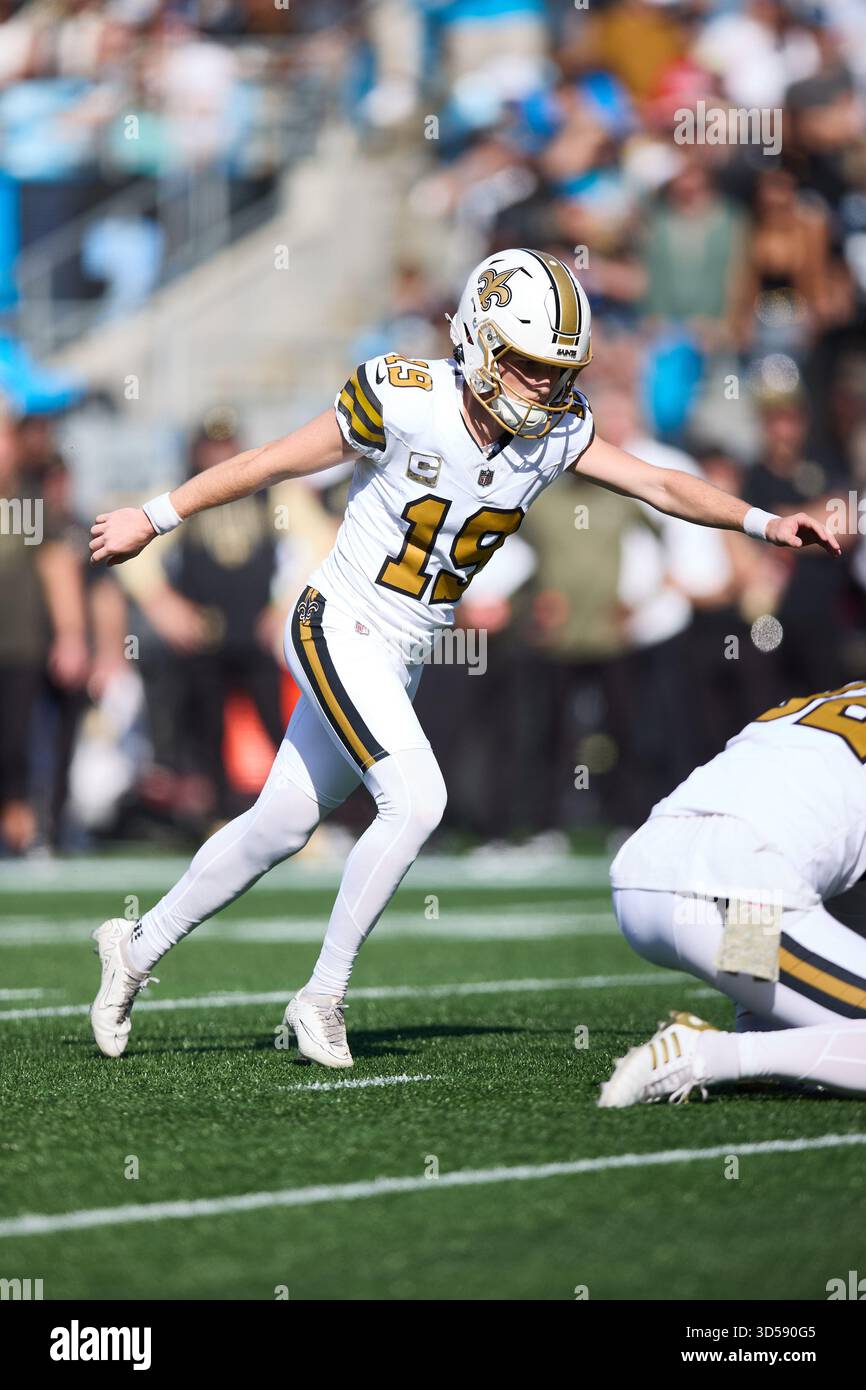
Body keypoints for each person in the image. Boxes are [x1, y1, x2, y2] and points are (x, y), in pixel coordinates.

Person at [87, 248, 838, 1067]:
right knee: (416, 802)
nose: (544, 389)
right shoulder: (405, 396)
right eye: (526, 367)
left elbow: (658, 482)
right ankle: (322, 998)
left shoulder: (556, 434)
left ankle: (134, 945)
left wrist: (764, 523)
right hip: (338, 621)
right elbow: (269, 462)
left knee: (279, 825)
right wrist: (155, 516)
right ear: (479, 344)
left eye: (557, 371)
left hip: (402, 652)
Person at [601, 681, 866, 1108]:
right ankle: (708, 1054)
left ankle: (761, 1027)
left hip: (642, 878)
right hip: (736, 898)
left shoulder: (826, 700)